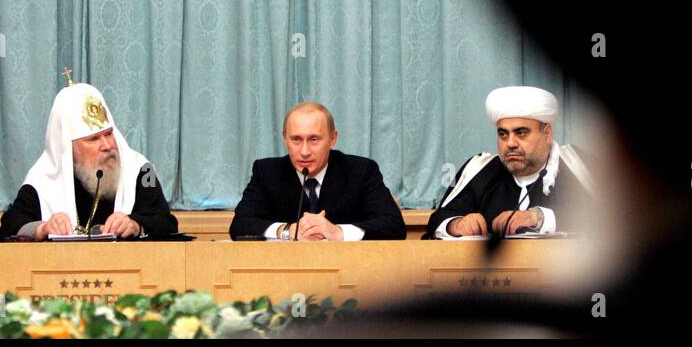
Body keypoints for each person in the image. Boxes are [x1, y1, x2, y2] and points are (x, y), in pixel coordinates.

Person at [0, 81, 177, 240]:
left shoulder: (141, 169)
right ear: (68, 148)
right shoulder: (42, 179)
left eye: (108, 134)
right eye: (93, 139)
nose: (107, 145)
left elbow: (165, 221)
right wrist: (42, 228)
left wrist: (136, 224)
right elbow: (10, 226)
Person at [426, 86, 593, 239]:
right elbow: (440, 217)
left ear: (547, 134)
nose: (510, 143)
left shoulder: (578, 165)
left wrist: (539, 218)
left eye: (521, 133)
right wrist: (456, 225)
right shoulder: (479, 169)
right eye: (503, 134)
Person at [229, 101, 405, 240]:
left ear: (332, 139)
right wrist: (288, 231)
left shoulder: (361, 171)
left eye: (314, 139)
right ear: (285, 139)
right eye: (296, 139)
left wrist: (337, 232)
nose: (304, 151)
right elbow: (240, 225)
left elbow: (393, 226)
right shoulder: (267, 172)